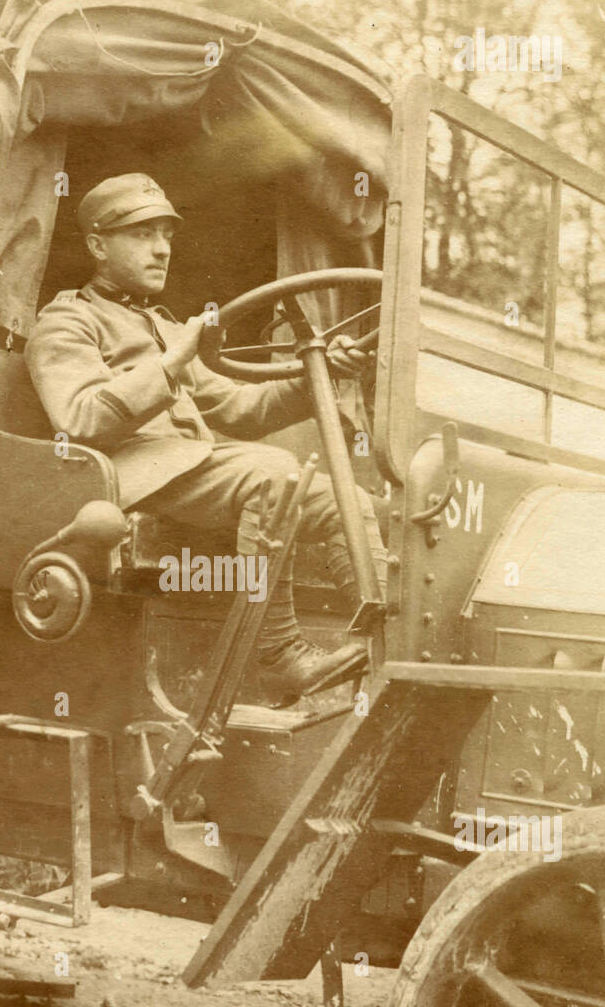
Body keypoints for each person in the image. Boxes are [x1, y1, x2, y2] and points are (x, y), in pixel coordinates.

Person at [25, 173, 387, 704]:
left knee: (345, 500)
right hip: (125, 477)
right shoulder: (65, 322)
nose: (162, 249)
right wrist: (174, 360)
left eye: (167, 235)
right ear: (98, 246)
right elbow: (80, 419)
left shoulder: (164, 326)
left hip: (188, 466)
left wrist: (320, 374)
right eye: (142, 234)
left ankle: (385, 640)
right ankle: (279, 655)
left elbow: (240, 409)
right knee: (276, 474)